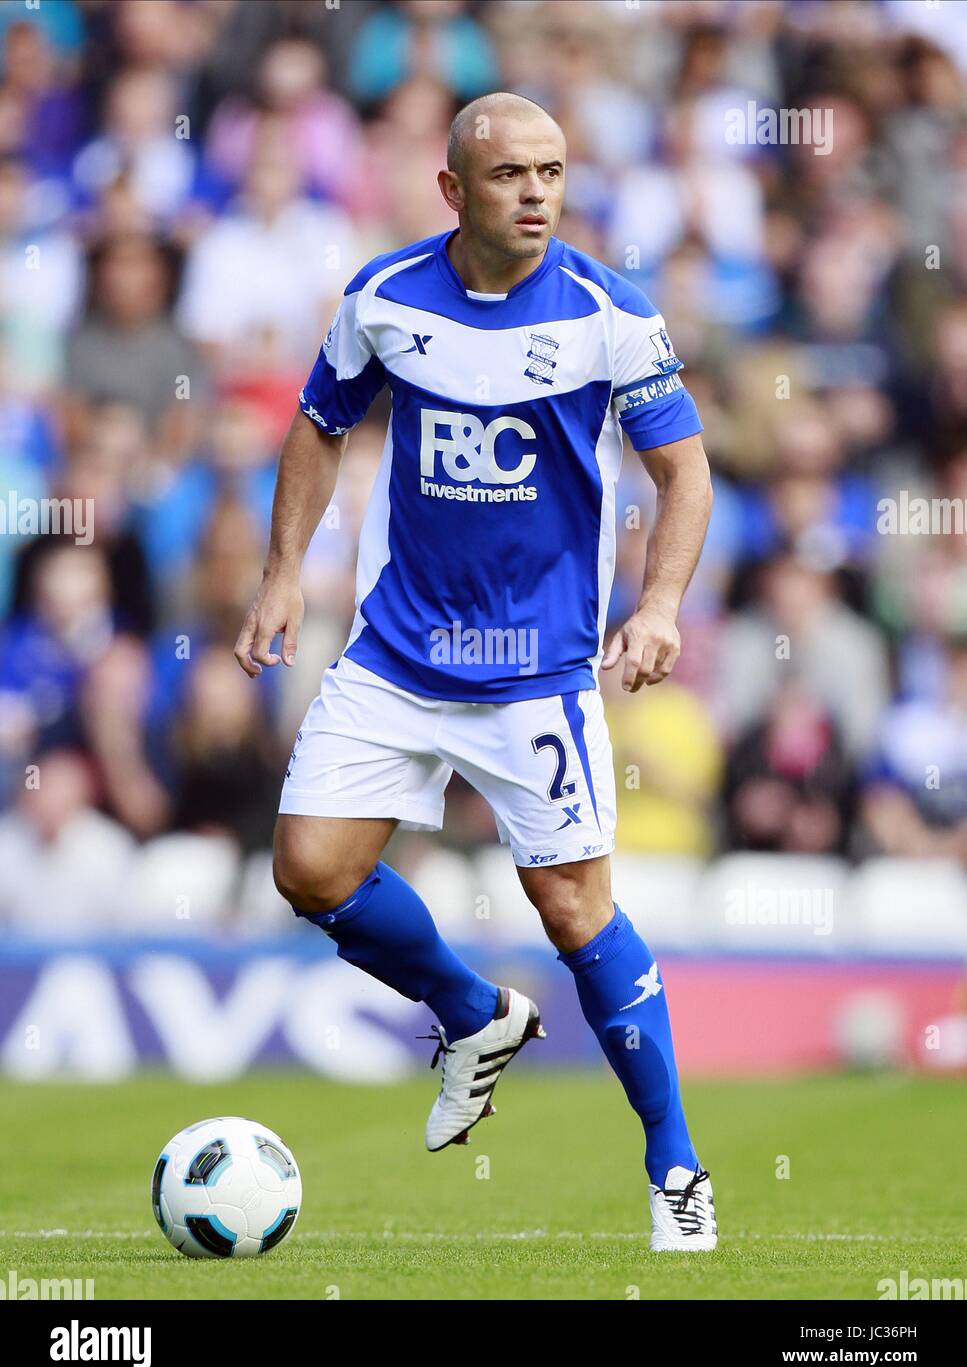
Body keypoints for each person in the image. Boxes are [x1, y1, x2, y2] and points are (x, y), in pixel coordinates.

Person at [234, 93, 716, 1252]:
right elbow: (317, 420)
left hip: (535, 668)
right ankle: (466, 1009)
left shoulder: (609, 315)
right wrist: (283, 572)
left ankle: (676, 1169)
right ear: (454, 191)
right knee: (308, 869)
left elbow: (684, 475)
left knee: (575, 912)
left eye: (551, 171)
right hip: (397, 650)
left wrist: (657, 605)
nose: (538, 193)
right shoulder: (385, 298)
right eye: (510, 175)